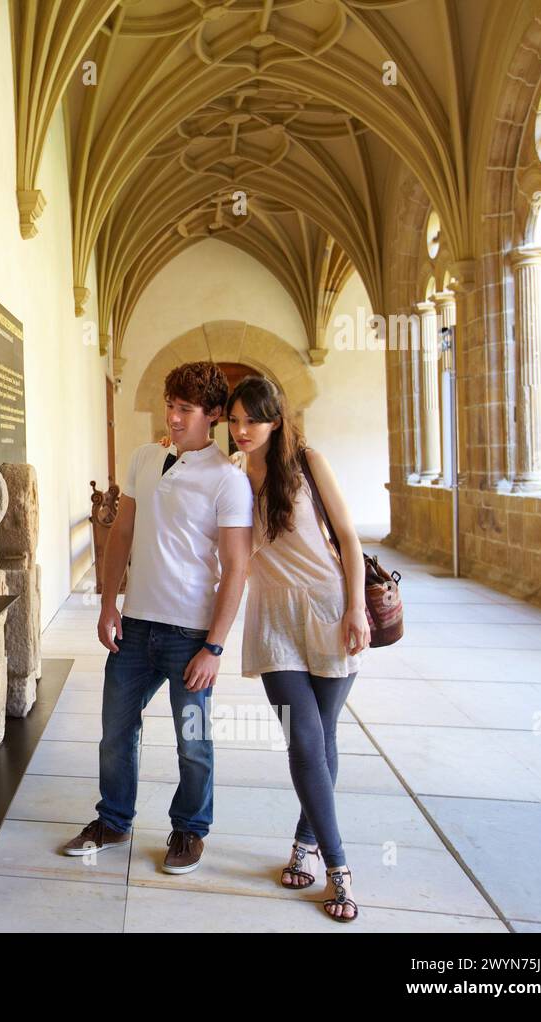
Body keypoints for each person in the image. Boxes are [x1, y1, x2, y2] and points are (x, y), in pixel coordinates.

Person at [61, 362, 253, 874]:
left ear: (212, 415)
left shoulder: (228, 481)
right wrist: (107, 604)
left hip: (190, 633)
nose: (172, 417)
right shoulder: (145, 459)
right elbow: (121, 533)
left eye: (185, 409)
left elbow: (237, 568)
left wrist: (214, 648)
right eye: (170, 405)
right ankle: (114, 820)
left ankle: (190, 830)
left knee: (193, 740)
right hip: (136, 624)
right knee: (115, 731)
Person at [225, 375, 369, 922]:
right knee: (304, 739)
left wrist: (355, 607)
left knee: (323, 737)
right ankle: (339, 870)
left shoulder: (309, 462)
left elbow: (349, 538)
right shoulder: (233, 477)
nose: (241, 431)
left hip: (329, 609)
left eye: (252, 420)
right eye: (233, 420)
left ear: (276, 420)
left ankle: (303, 845)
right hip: (273, 621)